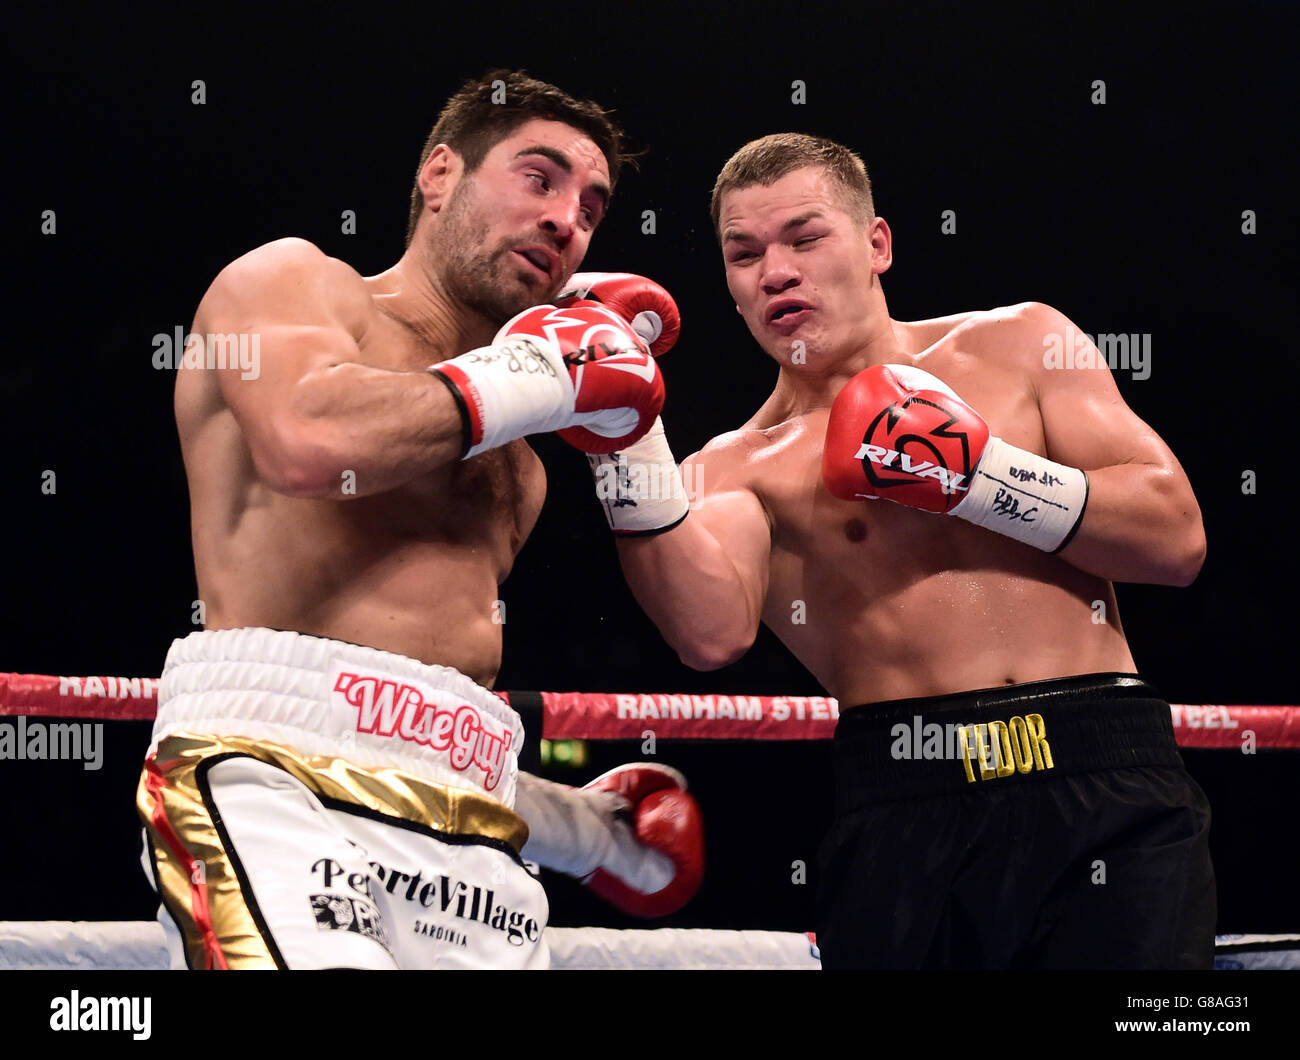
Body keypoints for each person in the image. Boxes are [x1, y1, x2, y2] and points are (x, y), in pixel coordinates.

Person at [586, 133, 1214, 969]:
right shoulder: (728, 468)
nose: (775, 271)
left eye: (805, 238)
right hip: (906, 801)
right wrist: (623, 441)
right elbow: (710, 634)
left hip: (1106, 770)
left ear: (877, 244)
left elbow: (1176, 540)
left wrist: (980, 477)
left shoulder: (1019, 343)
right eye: (745, 254)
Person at [136, 70, 702, 970]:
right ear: (439, 175)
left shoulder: (521, 461)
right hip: (277, 775)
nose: (568, 220)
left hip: (468, 820)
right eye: (539, 178)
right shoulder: (299, 285)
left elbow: (420, 688)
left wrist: (580, 829)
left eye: (592, 207)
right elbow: (307, 441)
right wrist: (541, 378)